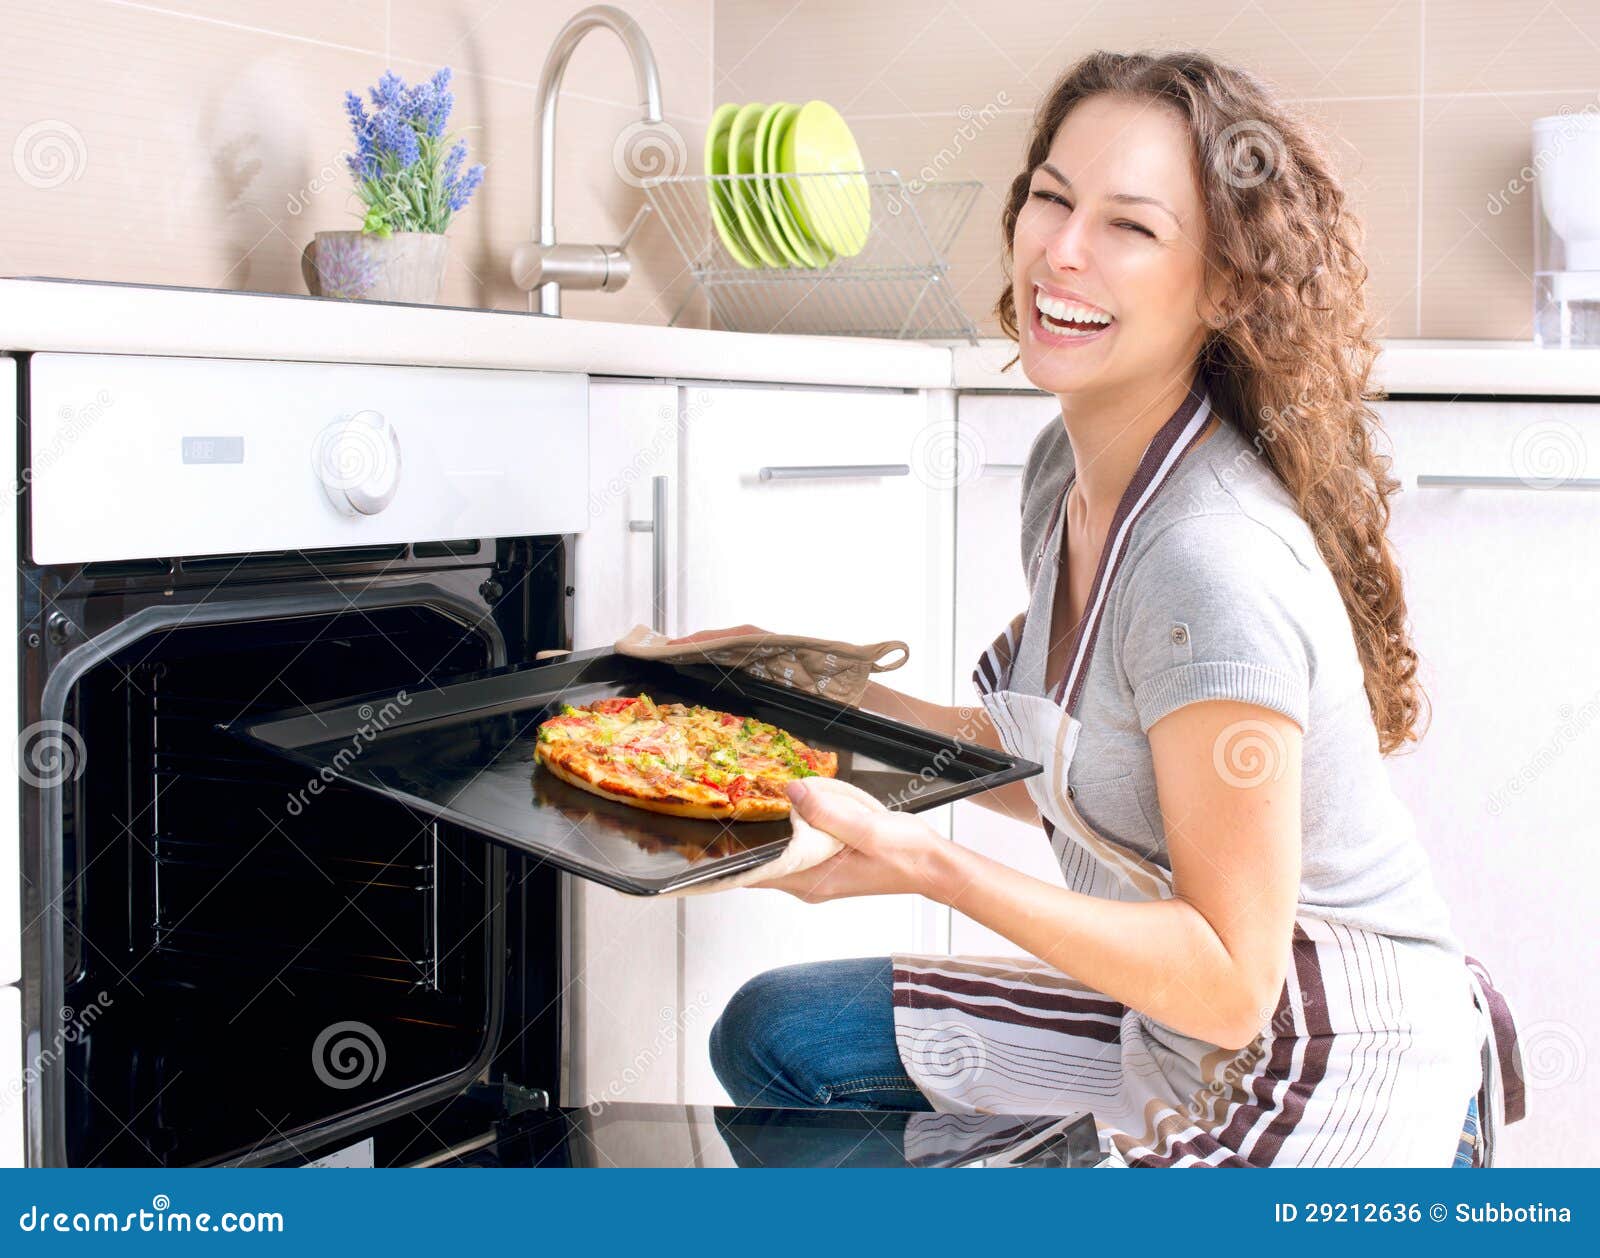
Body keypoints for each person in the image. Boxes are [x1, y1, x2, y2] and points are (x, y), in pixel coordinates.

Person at [688, 50, 1506, 1167]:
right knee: (777, 1034)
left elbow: (1229, 983)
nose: (1062, 252)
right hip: (1180, 1026)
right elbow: (1064, 767)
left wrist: (927, 864)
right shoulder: (1062, 476)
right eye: (1051, 199)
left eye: (1131, 226)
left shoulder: (1209, 561)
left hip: (1325, 1068)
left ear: (1223, 286)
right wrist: (796, 694)